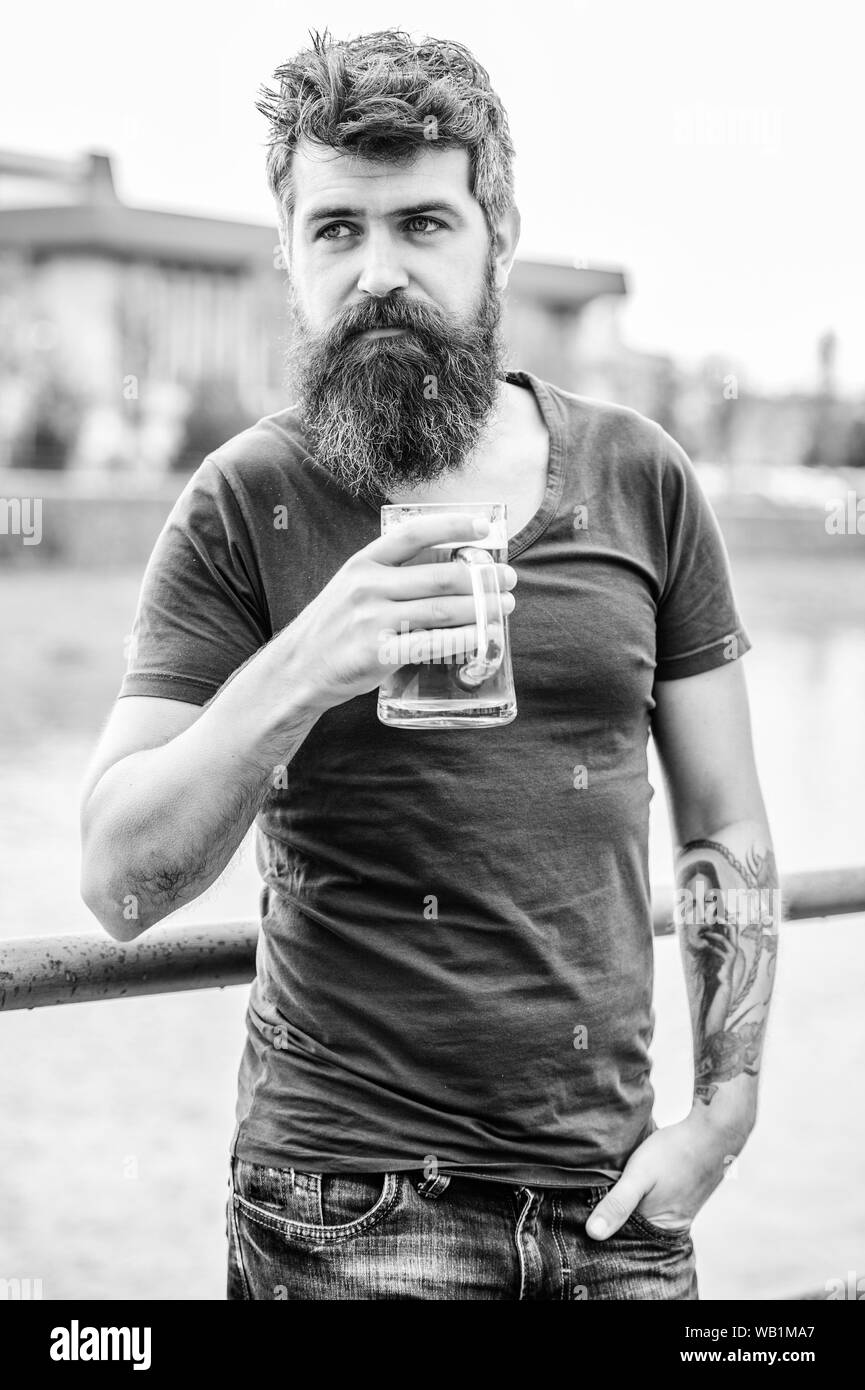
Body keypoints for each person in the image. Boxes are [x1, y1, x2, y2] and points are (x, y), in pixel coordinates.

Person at [79, 29, 779, 1301]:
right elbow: (120, 885)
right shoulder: (244, 500)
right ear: (289, 253)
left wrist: (720, 1114)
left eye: (422, 225)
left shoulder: (640, 478)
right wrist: (308, 662)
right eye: (337, 229)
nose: (377, 271)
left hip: (615, 1207)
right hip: (342, 1212)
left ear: (494, 238)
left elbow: (725, 821)